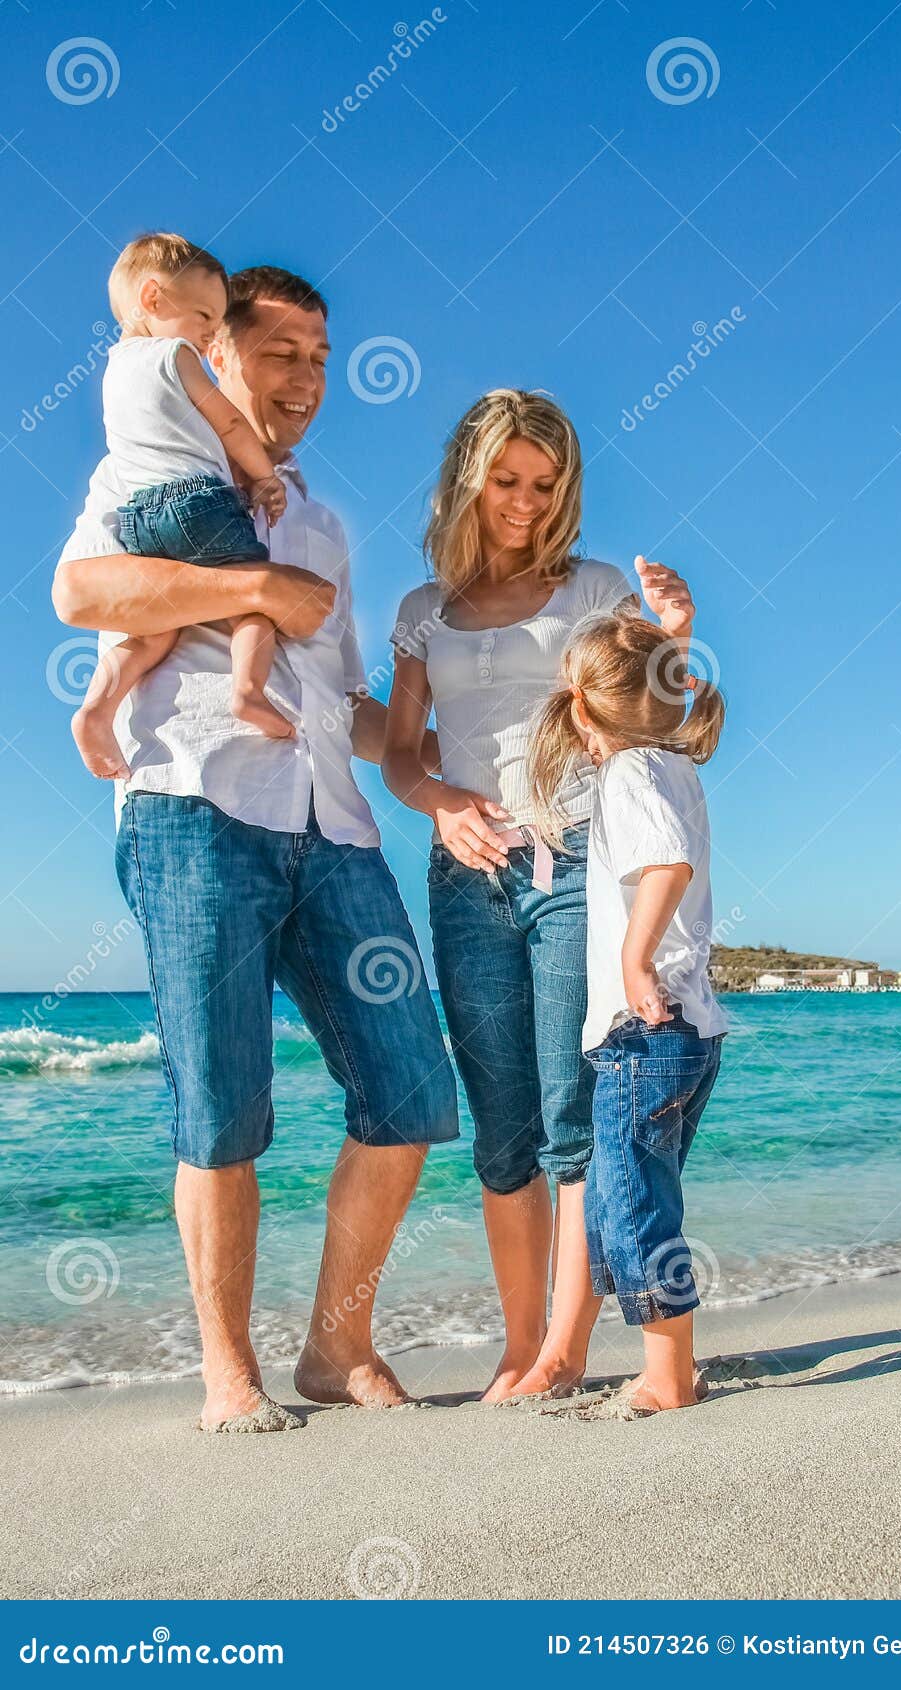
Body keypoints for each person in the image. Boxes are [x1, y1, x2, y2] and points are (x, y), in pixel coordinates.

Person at [52, 266, 457, 1433]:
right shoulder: (145, 475)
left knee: (411, 1087)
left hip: (332, 820)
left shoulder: (323, 520)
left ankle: (336, 1349)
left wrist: (454, 766)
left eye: (320, 360)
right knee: (222, 1104)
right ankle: (228, 1372)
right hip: (193, 803)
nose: (305, 381)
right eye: (280, 355)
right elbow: (82, 589)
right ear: (212, 361)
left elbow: (345, 700)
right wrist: (251, 582)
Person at [382, 388, 699, 1400]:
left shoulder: (596, 586)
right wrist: (437, 804)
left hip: (573, 870)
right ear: (467, 479)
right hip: (464, 878)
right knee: (500, 1126)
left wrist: (677, 637)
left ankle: (563, 1352)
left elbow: (650, 709)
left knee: (574, 1113)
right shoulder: (418, 612)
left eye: (543, 485)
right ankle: (519, 1347)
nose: (522, 504)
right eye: (504, 481)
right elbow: (397, 757)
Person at [528, 613, 727, 1413]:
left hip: (644, 1032)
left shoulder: (633, 773)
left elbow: (666, 867)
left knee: (634, 1202)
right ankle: (668, 1360)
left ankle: (668, 1376)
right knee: (629, 1198)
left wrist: (632, 960)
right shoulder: (673, 767)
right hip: (684, 1031)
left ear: (581, 710)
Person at [73, 234, 294, 782]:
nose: (207, 331)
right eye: (201, 315)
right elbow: (229, 422)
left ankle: (98, 708)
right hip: (197, 498)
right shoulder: (176, 356)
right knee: (257, 602)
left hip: (140, 518)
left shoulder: (110, 371)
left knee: (151, 632)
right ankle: (247, 691)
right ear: (152, 298)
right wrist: (264, 478)